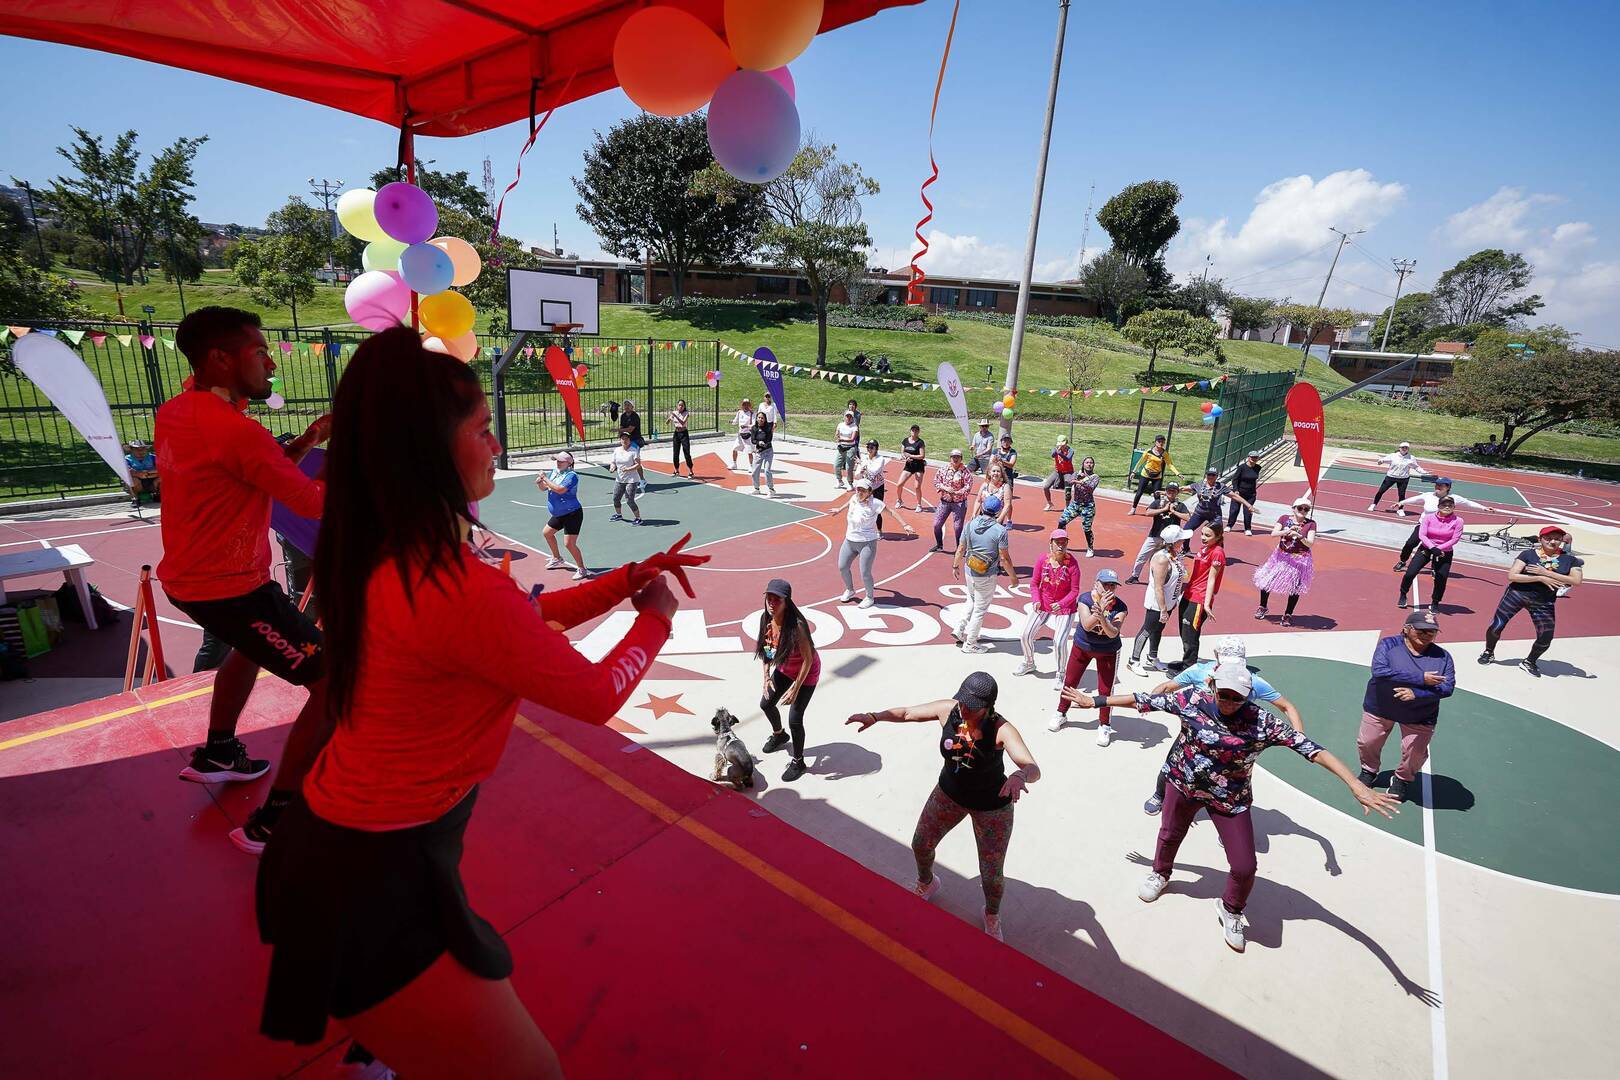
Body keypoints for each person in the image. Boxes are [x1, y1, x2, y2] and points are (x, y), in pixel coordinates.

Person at [256, 326, 705, 1070]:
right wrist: (654, 618)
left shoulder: (394, 553)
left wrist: (624, 579)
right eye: (484, 429)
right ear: (431, 450)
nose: (496, 447)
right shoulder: (452, 587)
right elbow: (593, 694)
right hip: (369, 875)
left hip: (348, 850)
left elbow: (518, 624)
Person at [1062, 662, 1397, 952]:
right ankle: (1160, 874)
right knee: (1170, 834)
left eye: (1238, 697)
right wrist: (1096, 701)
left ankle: (1232, 909)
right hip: (1184, 785)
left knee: (1244, 865)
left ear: (1248, 696)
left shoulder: (1261, 723)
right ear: (1211, 687)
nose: (1230, 702)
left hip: (1230, 799)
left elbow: (1311, 749)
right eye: (1224, 694)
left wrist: (1354, 784)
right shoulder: (1192, 700)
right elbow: (1144, 700)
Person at [154, 306, 331, 854]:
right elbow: (311, 501)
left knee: (247, 650)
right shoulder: (235, 430)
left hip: (195, 578)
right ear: (220, 358)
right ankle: (278, 817)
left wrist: (304, 443)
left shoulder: (180, 411)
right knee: (336, 682)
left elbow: (251, 471)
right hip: (229, 586)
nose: (271, 361)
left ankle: (218, 751)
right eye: (259, 351)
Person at [846, 672, 1040, 941]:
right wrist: (875, 716)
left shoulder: (1001, 729)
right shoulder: (948, 711)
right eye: (962, 701)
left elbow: (1032, 767)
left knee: (991, 876)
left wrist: (1019, 776)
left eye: (971, 706)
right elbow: (905, 713)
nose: (964, 709)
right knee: (920, 843)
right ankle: (927, 882)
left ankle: (992, 914)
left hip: (992, 807)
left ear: (988, 707)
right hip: (949, 794)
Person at [1141, 637, 1305, 815]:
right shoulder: (1200, 671)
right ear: (1216, 656)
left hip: (1233, 743)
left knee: (1232, 785)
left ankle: (1228, 820)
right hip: (1195, 738)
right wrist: (1149, 703)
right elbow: (1166, 688)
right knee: (1170, 767)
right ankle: (1159, 795)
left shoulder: (1252, 681)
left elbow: (1287, 707)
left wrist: (1299, 739)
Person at [1358, 609, 1455, 801]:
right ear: (1406, 629)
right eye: (1421, 630)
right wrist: (1421, 678)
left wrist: (1416, 693)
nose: (1427, 635)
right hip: (1381, 706)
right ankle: (1369, 770)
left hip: (1419, 713)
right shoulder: (1388, 645)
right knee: (1367, 742)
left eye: (1432, 632)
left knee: (1416, 752)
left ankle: (1402, 779)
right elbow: (1379, 671)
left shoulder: (1443, 657)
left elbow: (1447, 688)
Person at [1480, 525, 1584, 676]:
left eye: (1557, 538)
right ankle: (1489, 652)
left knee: (1546, 636)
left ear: (1562, 540)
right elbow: (1512, 576)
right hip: (1517, 595)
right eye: (1548, 538)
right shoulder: (1528, 554)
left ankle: (1529, 661)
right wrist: (1539, 577)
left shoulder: (1570, 560)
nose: (1552, 541)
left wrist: (1545, 572)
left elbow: (1576, 580)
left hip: (1544, 602)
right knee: (1496, 626)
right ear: (1540, 539)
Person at [1048, 569, 1127, 745]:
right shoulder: (1085, 599)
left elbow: (1113, 633)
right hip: (1083, 647)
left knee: (1105, 690)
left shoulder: (1121, 607)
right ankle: (1061, 713)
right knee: (1070, 682)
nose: (1109, 588)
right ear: (1096, 584)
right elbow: (1087, 625)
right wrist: (1099, 611)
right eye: (1105, 584)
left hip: (1108, 651)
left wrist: (1104, 617)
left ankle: (1104, 724)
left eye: (1112, 585)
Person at [756, 578, 819, 782]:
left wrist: (795, 688)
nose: (772, 604)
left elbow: (808, 660)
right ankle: (779, 735)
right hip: (785, 668)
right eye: (769, 599)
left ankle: (798, 761)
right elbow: (767, 651)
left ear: (786, 601)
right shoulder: (766, 620)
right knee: (766, 703)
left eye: (777, 600)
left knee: (795, 717)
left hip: (806, 672)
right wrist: (766, 676)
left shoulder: (797, 627)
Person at [952, 495, 1016, 653]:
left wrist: (955, 565)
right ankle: (970, 642)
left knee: (971, 599)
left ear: (983, 507)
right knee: (980, 609)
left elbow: (961, 549)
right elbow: (1004, 558)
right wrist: (1013, 577)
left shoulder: (970, 524)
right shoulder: (1000, 531)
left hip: (969, 569)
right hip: (986, 574)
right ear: (998, 511)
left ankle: (959, 629)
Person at [1015, 528, 1081, 677]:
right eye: (1057, 542)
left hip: (1065, 608)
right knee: (1025, 635)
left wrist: (1062, 603)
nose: (1061, 546)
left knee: (1059, 642)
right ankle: (1029, 662)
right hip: (1044, 604)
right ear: (1050, 543)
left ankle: (1061, 673)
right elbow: (1034, 584)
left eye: (1064, 542)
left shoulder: (1073, 565)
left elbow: (1075, 591)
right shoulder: (1042, 561)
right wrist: (1036, 600)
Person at [1129, 525, 1189, 676]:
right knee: (1147, 630)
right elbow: (1158, 587)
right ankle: (1133, 660)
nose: (1184, 540)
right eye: (1181, 538)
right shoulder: (1161, 559)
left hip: (1169, 602)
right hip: (1157, 603)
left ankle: (1152, 657)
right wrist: (1163, 609)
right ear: (1175, 541)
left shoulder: (1174, 555)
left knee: (1158, 630)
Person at [1391, 478, 1486, 571]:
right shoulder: (1428, 495)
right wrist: (1400, 503)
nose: (1438, 486)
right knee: (1410, 543)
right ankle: (1402, 561)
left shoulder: (1453, 498)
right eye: (1436, 484)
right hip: (1424, 525)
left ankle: (1435, 568)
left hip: (1443, 527)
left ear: (1448, 487)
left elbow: (1468, 503)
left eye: (1441, 485)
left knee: (1438, 547)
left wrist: (1484, 508)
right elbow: (1415, 499)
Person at [1254, 497, 1316, 626]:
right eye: (1300, 508)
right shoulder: (1284, 518)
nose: (1303, 511)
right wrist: (1287, 531)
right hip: (1280, 556)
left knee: (1295, 587)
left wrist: (1300, 537)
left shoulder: (1311, 524)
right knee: (1266, 581)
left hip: (1300, 559)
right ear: (1293, 508)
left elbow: (1310, 543)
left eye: (1306, 509)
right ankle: (1263, 606)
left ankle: (1288, 614)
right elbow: (1273, 533)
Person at [1174, 520, 1226, 670]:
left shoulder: (1217, 553)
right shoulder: (1204, 549)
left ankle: (1189, 667)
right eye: (1202, 534)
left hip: (1199, 598)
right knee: (1184, 631)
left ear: (1218, 537)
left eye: (1208, 535)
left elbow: (1211, 580)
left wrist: (1207, 604)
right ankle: (1186, 661)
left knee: (1191, 634)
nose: (1203, 537)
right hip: (1189, 594)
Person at [1398, 497, 1462, 609]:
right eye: (1444, 504)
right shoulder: (1428, 518)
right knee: (1410, 573)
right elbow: (1422, 535)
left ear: (1454, 507)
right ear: (1438, 506)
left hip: (1444, 552)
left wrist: (1439, 548)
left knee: (1441, 577)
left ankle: (1435, 602)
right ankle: (1403, 594)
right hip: (1426, 548)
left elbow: (1455, 539)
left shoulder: (1458, 521)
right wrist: (1433, 548)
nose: (1447, 507)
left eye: (1450, 505)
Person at [537, 451, 591, 579]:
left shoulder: (572, 476)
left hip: (572, 514)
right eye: (557, 460)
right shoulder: (554, 471)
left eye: (561, 461)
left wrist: (545, 478)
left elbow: (560, 490)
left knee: (569, 544)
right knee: (547, 533)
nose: (558, 463)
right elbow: (544, 488)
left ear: (569, 463)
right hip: (559, 514)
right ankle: (557, 558)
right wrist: (540, 482)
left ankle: (582, 569)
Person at [1126, 480, 1190, 583]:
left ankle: (1168, 579)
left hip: (1170, 540)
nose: (1171, 493)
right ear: (1165, 491)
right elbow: (1148, 512)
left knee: (1171, 559)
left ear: (1177, 493)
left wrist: (1174, 511)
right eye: (1169, 490)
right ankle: (1135, 576)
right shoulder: (1158, 502)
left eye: (1174, 491)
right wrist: (1164, 509)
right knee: (1142, 555)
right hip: (1155, 535)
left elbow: (1187, 517)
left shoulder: (1180, 505)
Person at [838, 479, 883, 609]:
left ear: (870, 492)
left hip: (867, 543)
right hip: (850, 540)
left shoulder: (875, 503)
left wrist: (905, 524)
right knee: (842, 566)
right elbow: (849, 503)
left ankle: (869, 597)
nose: (859, 492)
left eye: (863, 490)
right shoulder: (854, 498)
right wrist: (839, 509)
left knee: (865, 573)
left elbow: (891, 513)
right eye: (858, 489)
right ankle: (850, 589)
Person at [1186, 466, 1253, 535]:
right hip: (1199, 513)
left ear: (1217, 476)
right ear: (1206, 475)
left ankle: (1216, 545)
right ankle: (1186, 546)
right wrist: (1175, 489)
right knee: (1186, 530)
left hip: (1215, 515)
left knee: (1218, 535)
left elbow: (1234, 496)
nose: (1211, 476)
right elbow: (1183, 488)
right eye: (1209, 474)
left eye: (1213, 475)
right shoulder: (1199, 485)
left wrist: (1248, 505)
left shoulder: (1221, 486)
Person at [1056, 456, 1101, 557]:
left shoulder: (1095, 477)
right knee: (1062, 521)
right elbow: (1069, 482)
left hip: (1088, 506)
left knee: (1087, 528)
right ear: (1083, 464)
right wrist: (1076, 479)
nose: (1089, 464)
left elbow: (1090, 488)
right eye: (1087, 462)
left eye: (1091, 463)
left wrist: (1079, 481)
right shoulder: (1077, 474)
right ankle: (1061, 542)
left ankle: (1090, 548)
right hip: (1076, 504)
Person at [930, 449, 973, 553]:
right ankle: (939, 545)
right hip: (944, 502)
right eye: (953, 457)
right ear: (950, 458)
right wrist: (945, 488)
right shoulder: (943, 469)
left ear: (961, 459)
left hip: (959, 503)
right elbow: (936, 481)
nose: (955, 459)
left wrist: (958, 492)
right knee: (937, 524)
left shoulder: (965, 472)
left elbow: (968, 485)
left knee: (958, 527)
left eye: (958, 457)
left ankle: (960, 548)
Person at [1368, 441, 1426, 512]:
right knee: (1381, 491)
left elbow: (1416, 467)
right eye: (1403, 447)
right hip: (1391, 477)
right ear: (1399, 448)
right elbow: (1383, 460)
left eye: (1406, 448)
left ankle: (1400, 509)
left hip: (1403, 479)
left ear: (1408, 449)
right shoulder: (1393, 455)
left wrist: (1423, 472)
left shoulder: (1411, 458)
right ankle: (1374, 504)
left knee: (1401, 495)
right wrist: (1380, 461)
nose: (1404, 449)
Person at [1131, 434, 1180, 510]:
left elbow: (1170, 464)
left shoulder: (1165, 454)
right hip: (1146, 474)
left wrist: (1178, 473)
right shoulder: (1149, 451)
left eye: (1163, 442)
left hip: (1157, 476)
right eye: (1159, 441)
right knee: (1139, 493)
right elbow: (1140, 462)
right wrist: (1134, 472)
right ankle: (1133, 508)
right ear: (1155, 442)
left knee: (1157, 494)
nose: (1161, 443)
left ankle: (1157, 510)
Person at [609, 428, 646, 525]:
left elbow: (638, 465)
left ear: (629, 440)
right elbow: (613, 462)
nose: (624, 440)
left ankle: (638, 518)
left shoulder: (633, 451)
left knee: (629, 500)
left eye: (626, 438)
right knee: (616, 498)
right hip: (620, 479)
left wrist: (628, 469)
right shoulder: (616, 450)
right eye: (623, 438)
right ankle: (618, 515)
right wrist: (612, 467)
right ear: (620, 440)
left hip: (632, 480)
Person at [1227, 450, 1263, 535]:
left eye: (1256, 457)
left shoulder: (1258, 468)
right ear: (1248, 458)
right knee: (1234, 510)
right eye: (1252, 457)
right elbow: (1235, 479)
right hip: (1239, 493)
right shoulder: (1242, 467)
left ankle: (1247, 529)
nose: (1254, 459)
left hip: (1250, 494)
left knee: (1248, 511)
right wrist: (1236, 490)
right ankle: (1229, 525)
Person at [897, 424, 930, 510]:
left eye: (916, 430)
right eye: (913, 430)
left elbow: (922, 456)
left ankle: (919, 505)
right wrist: (905, 457)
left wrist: (911, 456)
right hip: (909, 466)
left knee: (917, 486)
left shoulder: (920, 442)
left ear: (918, 432)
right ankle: (899, 500)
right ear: (910, 431)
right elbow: (903, 452)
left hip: (918, 466)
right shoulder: (905, 441)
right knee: (899, 484)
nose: (914, 432)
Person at [975, 461, 1013, 526]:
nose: (996, 473)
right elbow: (978, 501)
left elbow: (1007, 505)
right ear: (989, 473)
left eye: (998, 471)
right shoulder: (984, 485)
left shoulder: (1005, 487)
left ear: (1001, 474)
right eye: (994, 471)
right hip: (983, 516)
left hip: (996, 518)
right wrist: (974, 514)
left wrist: (1000, 519)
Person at [1042, 436, 1074, 511]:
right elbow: (1053, 455)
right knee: (1046, 487)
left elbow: (1067, 459)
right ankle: (1049, 503)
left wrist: (1060, 453)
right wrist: (1056, 451)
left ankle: (1067, 506)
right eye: (1060, 444)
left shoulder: (1071, 450)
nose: (1061, 446)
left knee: (1068, 489)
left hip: (1068, 472)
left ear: (1066, 443)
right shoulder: (1055, 448)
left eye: (1063, 444)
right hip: (1058, 471)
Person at [749, 409, 777, 496]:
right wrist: (758, 443)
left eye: (762, 418)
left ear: (765, 419)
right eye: (759, 417)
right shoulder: (754, 428)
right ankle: (756, 488)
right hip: (758, 453)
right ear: (756, 418)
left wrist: (764, 444)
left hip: (768, 451)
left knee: (767, 471)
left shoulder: (768, 428)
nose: (760, 419)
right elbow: (753, 440)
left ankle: (771, 489)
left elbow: (769, 440)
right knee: (754, 471)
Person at [125, 440, 160, 505]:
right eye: (137, 449)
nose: (141, 451)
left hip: (152, 479)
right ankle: (135, 498)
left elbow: (162, 468)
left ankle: (158, 494)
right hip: (138, 482)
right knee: (131, 480)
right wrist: (138, 474)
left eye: (143, 448)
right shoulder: (126, 459)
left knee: (163, 478)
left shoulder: (153, 457)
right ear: (131, 450)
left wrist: (148, 474)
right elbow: (127, 471)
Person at [994, 434, 1019, 521]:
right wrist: (995, 460)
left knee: (1007, 500)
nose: (1006, 442)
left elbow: (1011, 464)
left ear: (1011, 442)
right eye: (1004, 440)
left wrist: (1002, 461)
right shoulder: (996, 451)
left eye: (1008, 440)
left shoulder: (1013, 452)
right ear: (1001, 441)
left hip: (1007, 478)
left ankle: (1009, 520)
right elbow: (991, 462)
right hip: (996, 478)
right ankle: (995, 517)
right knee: (994, 498)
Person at [833, 409, 860, 489]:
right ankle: (839, 481)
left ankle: (850, 483)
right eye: (847, 416)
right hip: (841, 447)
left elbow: (852, 439)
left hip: (850, 448)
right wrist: (837, 437)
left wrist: (842, 439)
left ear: (852, 418)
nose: (848, 418)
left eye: (850, 417)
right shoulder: (840, 425)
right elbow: (836, 434)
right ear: (844, 417)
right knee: (836, 465)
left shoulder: (854, 427)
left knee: (849, 467)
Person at [668, 399, 694, 478]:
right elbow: (667, 422)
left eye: (682, 405)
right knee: (675, 453)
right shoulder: (675, 413)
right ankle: (676, 470)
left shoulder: (686, 413)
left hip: (684, 434)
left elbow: (683, 423)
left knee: (686, 452)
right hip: (676, 433)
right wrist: (670, 418)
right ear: (677, 406)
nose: (680, 407)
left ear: (684, 406)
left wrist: (675, 416)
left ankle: (691, 471)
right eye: (679, 405)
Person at [730, 397, 755, 471]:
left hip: (748, 435)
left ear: (749, 405)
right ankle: (734, 464)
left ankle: (751, 466)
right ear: (742, 405)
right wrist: (732, 422)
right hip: (740, 435)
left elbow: (754, 425)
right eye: (744, 404)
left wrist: (746, 426)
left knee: (749, 451)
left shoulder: (752, 413)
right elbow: (736, 421)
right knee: (734, 449)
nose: (746, 406)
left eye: (747, 404)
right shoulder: (739, 412)